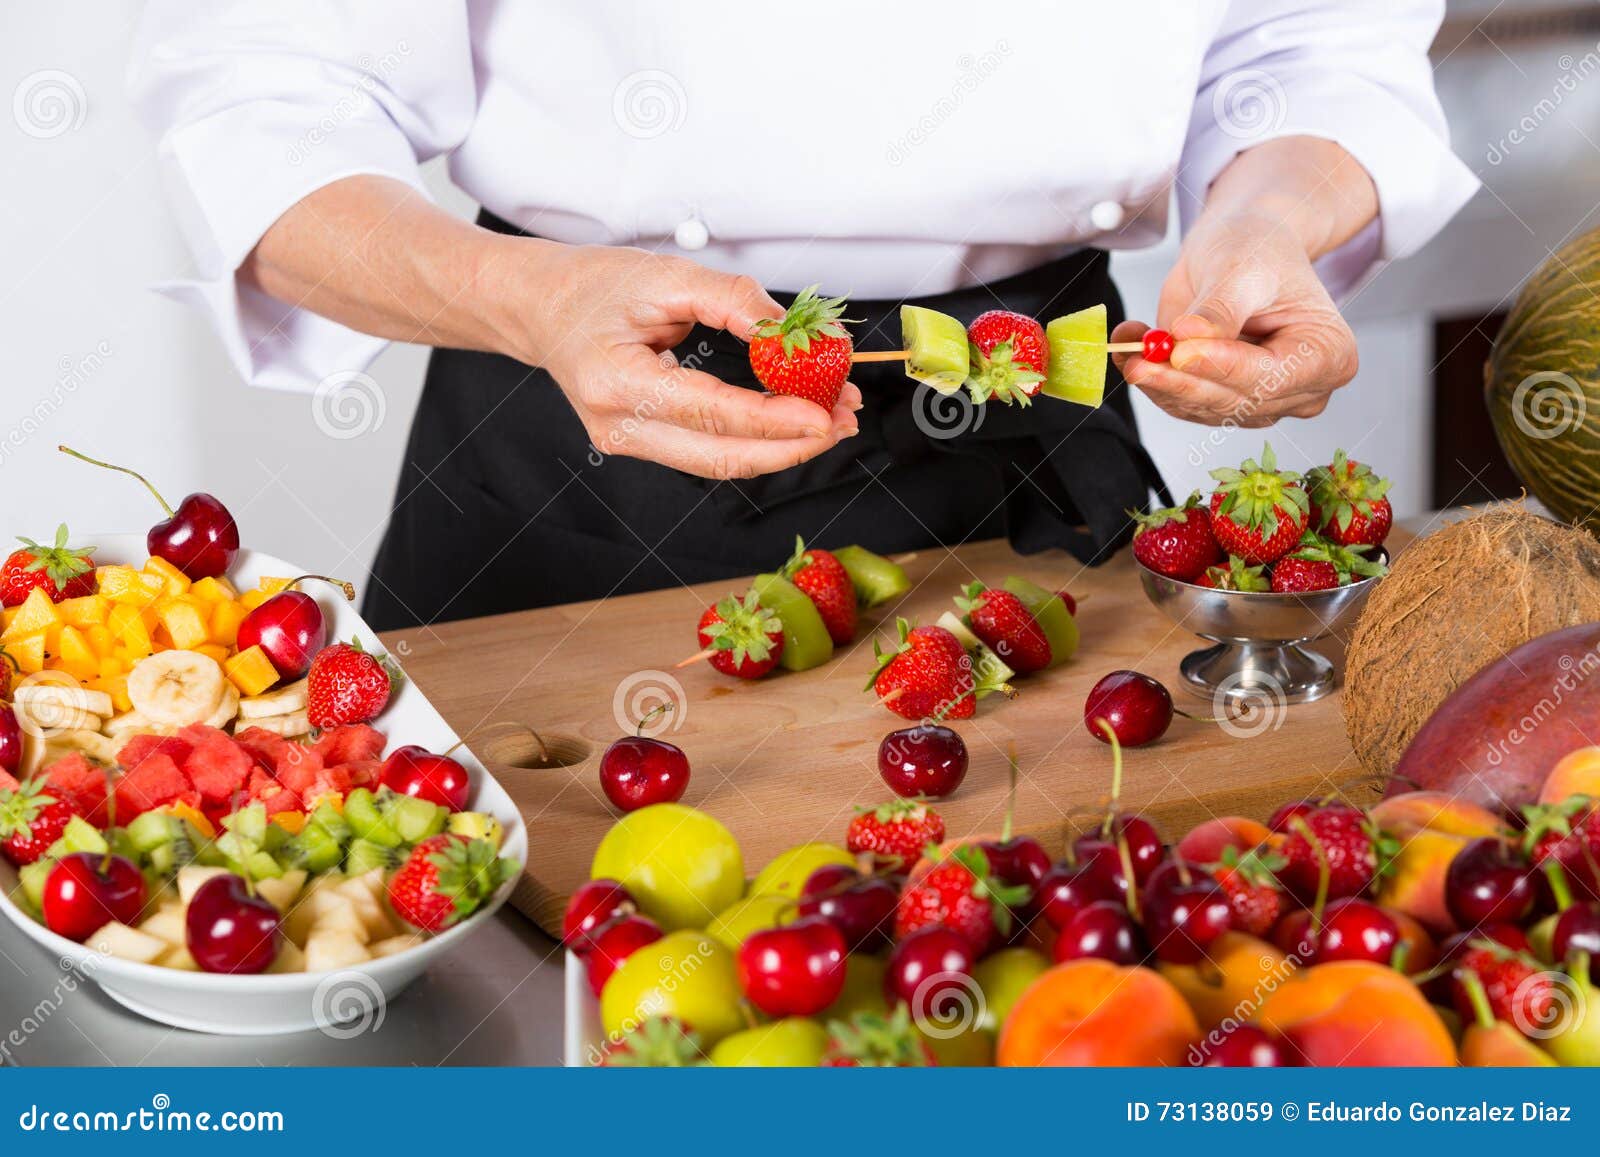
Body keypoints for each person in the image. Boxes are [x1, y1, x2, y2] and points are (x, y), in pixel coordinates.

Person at [130, 2, 1475, 629]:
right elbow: (260, 97)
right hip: (588, 436)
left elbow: (1309, 47)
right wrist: (528, 300)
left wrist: (1265, 217)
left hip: (1046, 439)